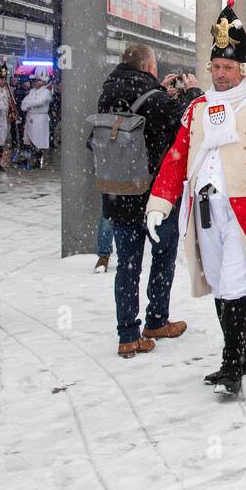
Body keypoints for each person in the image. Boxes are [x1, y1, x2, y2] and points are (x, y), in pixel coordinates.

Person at [145, 0, 246, 394]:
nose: (221, 74)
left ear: (242, 69)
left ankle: (232, 365)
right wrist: (161, 202)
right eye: (217, 67)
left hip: (242, 215)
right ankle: (240, 352)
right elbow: (176, 159)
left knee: (232, 285)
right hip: (202, 210)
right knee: (218, 284)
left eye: (229, 67)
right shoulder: (196, 110)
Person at [96, 43, 200, 358]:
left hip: (118, 191)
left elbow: (145, 110)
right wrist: (191, 92)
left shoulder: (107, 93)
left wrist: (159, 89)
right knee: (162, 256)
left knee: (127, 266)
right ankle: (156, 320)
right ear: (147, 66)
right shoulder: (153, 99)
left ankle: (127, 334)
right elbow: (183, 119)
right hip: (153, 193)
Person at [19, 76, 52, 167]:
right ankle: (25, 159)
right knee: (27, 140)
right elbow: (24, 104)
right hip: (30, 117)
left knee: (38, 140)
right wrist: (29, 105)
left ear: (41, 82)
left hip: (40, 119)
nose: (34, 83)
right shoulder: (32, 91)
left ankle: (37, 160)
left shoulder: (46, 92)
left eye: (36, 81)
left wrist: (29, 104)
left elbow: (40, 102)